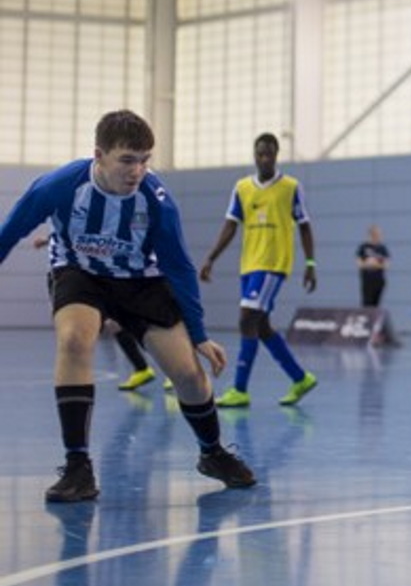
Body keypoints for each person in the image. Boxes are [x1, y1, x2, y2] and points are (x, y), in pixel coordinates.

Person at [0, 110, 255, 502]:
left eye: (144, 159)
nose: (137, 170)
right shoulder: (60, 186)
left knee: (188, 373)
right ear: (99, 155)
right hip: (79, 272)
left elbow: (179, 267)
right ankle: (78, 466)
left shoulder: (157, 201)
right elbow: (11, 230)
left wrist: (200, 335)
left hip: (141, 281)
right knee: (73, 340)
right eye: (127, 160)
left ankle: (212, 453)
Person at [200, 133, 318, 408]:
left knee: (246, 319)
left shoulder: (291, 187)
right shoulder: (242, 188)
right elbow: (230, 225)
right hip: (249, 265)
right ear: (254, 155)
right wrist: (211, 258)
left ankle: (240, 389)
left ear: (276, 156)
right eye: (260, 154)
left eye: (269, 154)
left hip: (273, 264)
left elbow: (305, 226)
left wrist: (310, 264)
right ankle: (300, 378)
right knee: (261, 326)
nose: (264, 158)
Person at [34, 234, 165, 391]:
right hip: (95, 275)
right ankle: (142, 368)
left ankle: (170, 369)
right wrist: (48, 239)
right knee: (114, 325)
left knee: (147, 324)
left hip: (128, 274)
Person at [356, 224, 389, 308]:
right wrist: (368, 263)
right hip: (367, 280)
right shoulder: (363, 247)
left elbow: (386, 265)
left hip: (379, 280)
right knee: (366, 303)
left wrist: (374, 264)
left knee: (376, 304)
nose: (379, 236)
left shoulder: (382, 248)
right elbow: (359, 264)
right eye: (377, 234)